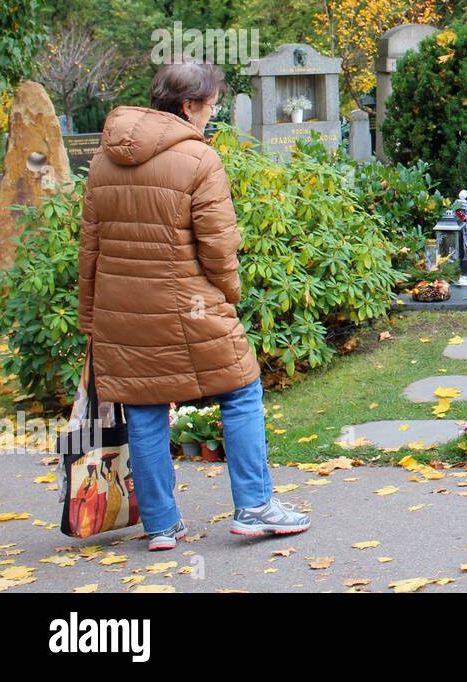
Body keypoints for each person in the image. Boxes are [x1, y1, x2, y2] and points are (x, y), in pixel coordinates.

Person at [78, 61, 310, 550]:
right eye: (211, 105)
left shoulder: (103, 161)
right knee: (241, 389)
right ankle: (255, 506)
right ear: (188, 106)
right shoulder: (199, 159)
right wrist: (228, 294)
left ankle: (161, 525)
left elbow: (90, 247)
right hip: (191, 304)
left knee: (144, 406)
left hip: (121, 311)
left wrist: (90, 316)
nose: (213, 113)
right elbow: (218, 246)